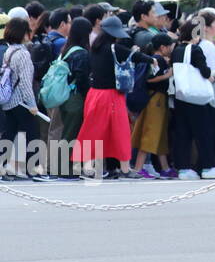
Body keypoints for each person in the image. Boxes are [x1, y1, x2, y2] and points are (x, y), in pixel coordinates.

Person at [73, 16, 150, 179]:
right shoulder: (115, 48)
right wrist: (152, 60)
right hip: (112, 96)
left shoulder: (93, 48)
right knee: (120, 131)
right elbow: (138, 58)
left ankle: (87, 168)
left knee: (92, 131)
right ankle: (124, 168)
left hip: (94, 94)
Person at [171, 11, 215, 180]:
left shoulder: (177, 49)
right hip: (196, 98)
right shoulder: (195, 49)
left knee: (183, 133)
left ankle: (184, 168)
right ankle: (209, 166)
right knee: (203, 133)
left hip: (181, 95)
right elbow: (205, 71)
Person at [48, 16, 92, 178]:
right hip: (75, 98)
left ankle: (62, 167)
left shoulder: (67, 49)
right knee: (70, 134)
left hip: (65, 95)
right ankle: (64, 170)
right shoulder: (81, 53)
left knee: (66, 133)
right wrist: (88, 96)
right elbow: (82, 79)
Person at [0, 15, 42, 181]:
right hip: (22, 103)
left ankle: (2, 166)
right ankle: (34, 170)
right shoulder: (23, 54)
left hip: (9, 101)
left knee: (9, 135)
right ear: (24, 33)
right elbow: (25, 83)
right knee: (33, 133)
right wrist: (32, 105)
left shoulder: (9, 51)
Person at [129, 33, 176, 179]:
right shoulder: (158, 59)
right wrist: (167, 75)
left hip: (154, 99)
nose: (171, 49)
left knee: (159, 135)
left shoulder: (153, 58)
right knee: (150, 133)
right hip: (155, 100)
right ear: (163, 47)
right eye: (169, 46)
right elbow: (150, 79)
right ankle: (138, 168)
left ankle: (165, 168)